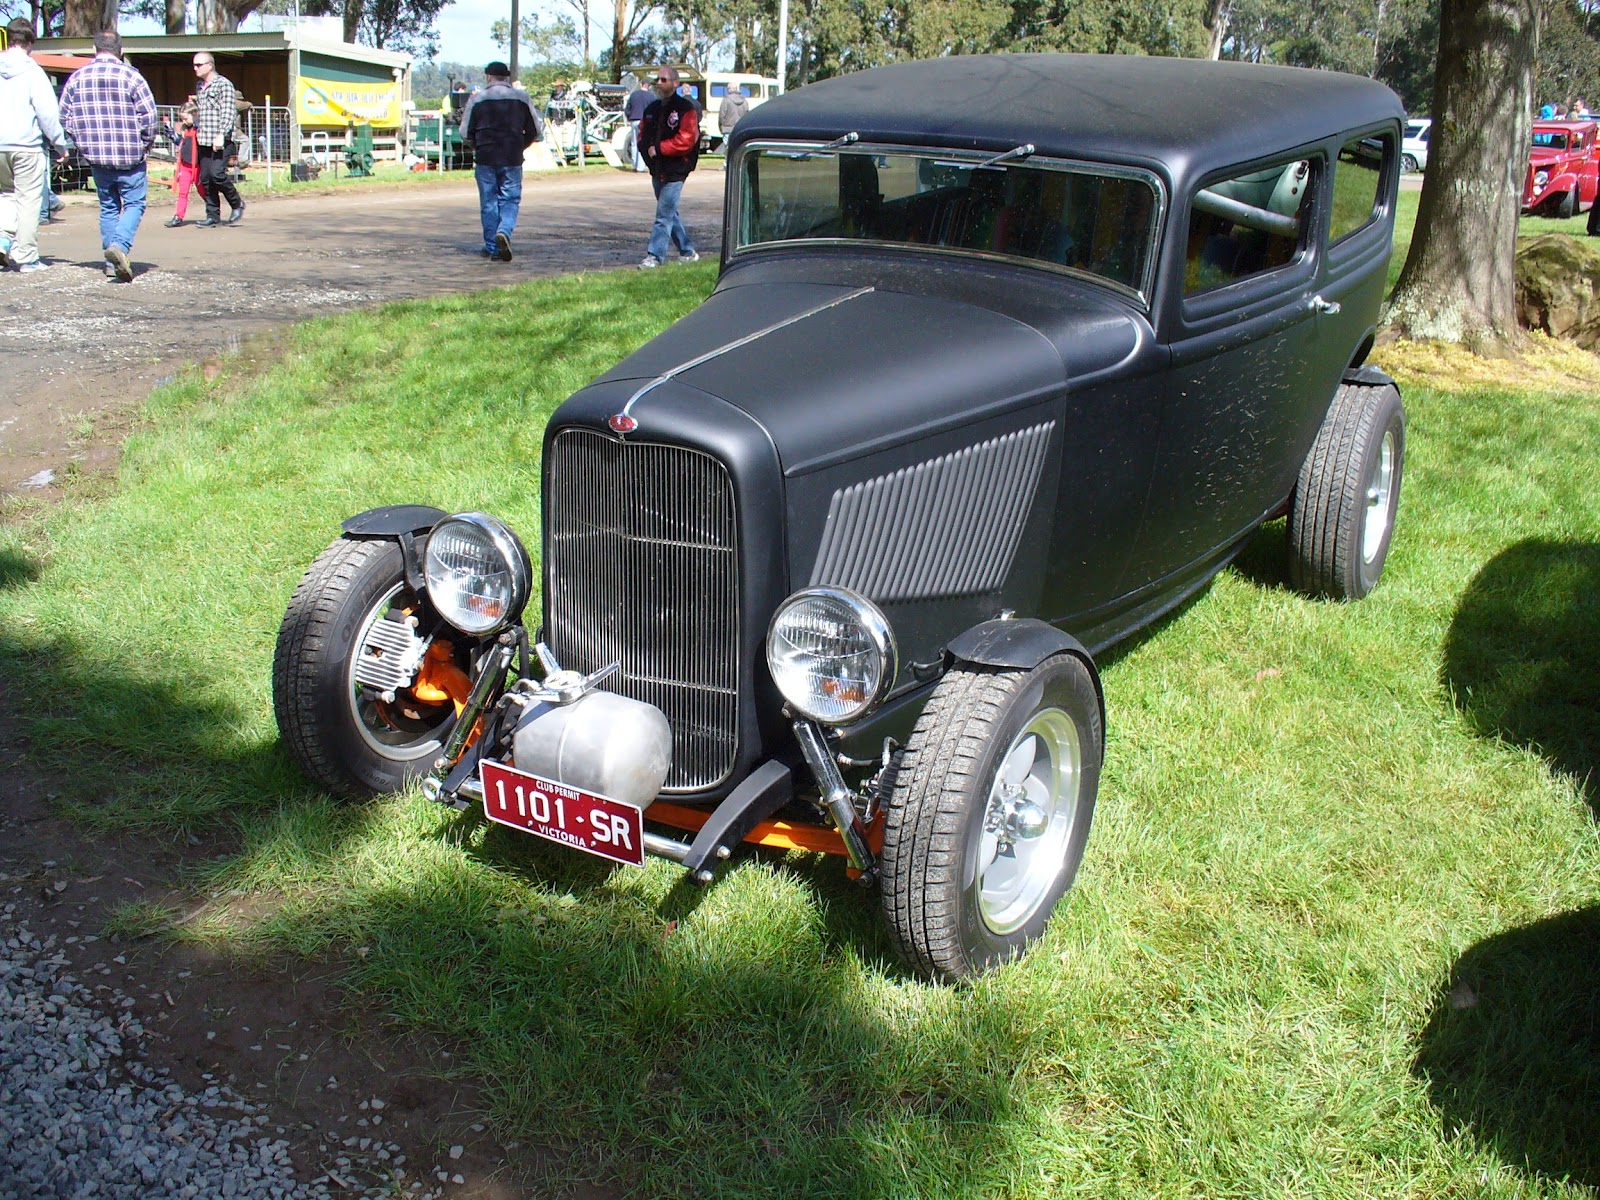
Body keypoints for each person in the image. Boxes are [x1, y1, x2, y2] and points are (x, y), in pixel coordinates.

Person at [58, 30, 156, 282]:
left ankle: (111, 262)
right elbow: (149, 118)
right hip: (130, 156)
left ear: (94, 49)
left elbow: (64, 117)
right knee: (134, 203)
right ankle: (120, 247)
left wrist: (81, 142)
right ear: (120, 50)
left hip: (97, 156)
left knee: (109, 207)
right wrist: (146, 144)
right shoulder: (133, 77)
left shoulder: (77, 78)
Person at [0, 18, 67, 274]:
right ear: (29, 42)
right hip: (25, 145)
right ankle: (26, 256)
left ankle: (3, 240)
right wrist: (60, 145)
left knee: (6, 194)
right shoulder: (33, 71)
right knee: (28, 199)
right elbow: (47, 113)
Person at [459, 60, 542, 262]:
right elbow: (536, 130)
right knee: (510, 199)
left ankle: (492, 247)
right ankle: (504, 231)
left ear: (488, 77)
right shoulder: (522, 98)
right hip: (512, 156)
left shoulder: (477, 99)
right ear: (507, 78)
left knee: (489, 201)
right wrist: (520, 144)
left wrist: (477, 146)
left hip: (486, 156)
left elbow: (464, 132)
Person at [637, 65, 700, 269]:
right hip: (658, 169)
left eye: (664, 80)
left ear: (675, 83)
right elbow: (642, 136)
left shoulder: (685, 110)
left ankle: (655, 257)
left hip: (676, 170)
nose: (659, 83)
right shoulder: (652, 110)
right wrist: (649, 154)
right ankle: (687, 251)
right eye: (658, 79)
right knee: (669, 212)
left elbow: (687, 140)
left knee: (663, 215)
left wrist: (661, 148)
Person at [192, 52, 245, 227]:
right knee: (206, 178)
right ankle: (212, 215)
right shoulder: (200, 86)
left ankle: (237, 203)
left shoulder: (224, 85)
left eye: (199, 65)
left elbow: (228, 112)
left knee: (217, 174)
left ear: (210, 65)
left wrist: (221, 134)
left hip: (221, 139)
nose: (196, 68)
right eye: (194, 65)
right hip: (204, 139)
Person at [164, 101, 205, 227]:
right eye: (182, 119)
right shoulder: (185, 130)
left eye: (186, 118)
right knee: (183, 192)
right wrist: (170, 133)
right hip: (185, 166)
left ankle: (213, 213)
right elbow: (180, 143)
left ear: (194, 114)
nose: (184, 121)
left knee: (203, 191)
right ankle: (178, 216)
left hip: (198, 166)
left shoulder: (200, 129)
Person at [624, 77, 652, 172]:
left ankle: (635, 165)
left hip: (634, 120)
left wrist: (629, 118)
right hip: (645, 121)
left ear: (641, 85)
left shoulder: (633, 95)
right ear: (649, 87)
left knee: (634, 143)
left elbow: (627, 109)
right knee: (643, 143)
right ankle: (640, 167)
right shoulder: (651, 96)